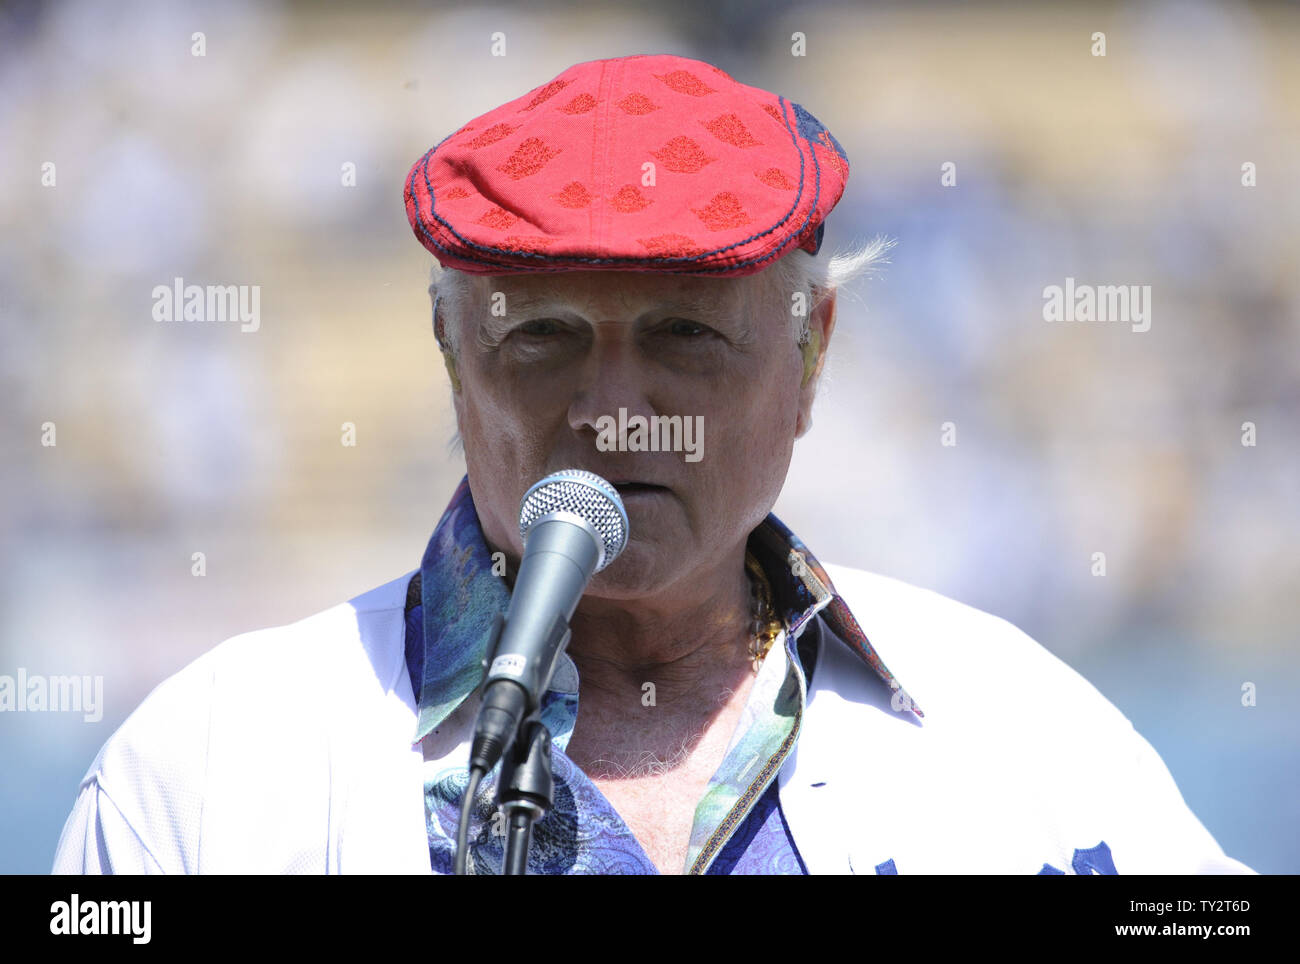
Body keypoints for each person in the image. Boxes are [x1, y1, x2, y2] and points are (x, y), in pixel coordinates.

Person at [52, 53, 1253, 875]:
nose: (614, 411)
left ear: (811, 353)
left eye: (685, 333)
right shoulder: (207, 773)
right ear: (451, 354)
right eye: (544, 336)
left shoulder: (1027, 732)